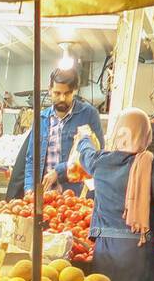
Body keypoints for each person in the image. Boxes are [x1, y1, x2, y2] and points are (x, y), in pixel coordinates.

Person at [75, 109, 154, 281]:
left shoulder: (100, 161)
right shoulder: (150, 164)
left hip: (105, 250)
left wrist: (84, 138)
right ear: (146, 135)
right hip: (138, 251)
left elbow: (85, 154)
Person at [7, 67, 104, 199]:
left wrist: (59, 171)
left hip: (75, 197)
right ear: (49, 89)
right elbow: (31, 159)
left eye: (67, 93)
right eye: (57, 93)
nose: (62, 98)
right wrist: (29, 189)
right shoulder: (41, 119)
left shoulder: (89, 115)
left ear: (75, 90)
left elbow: (96, 156)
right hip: (46, 197)